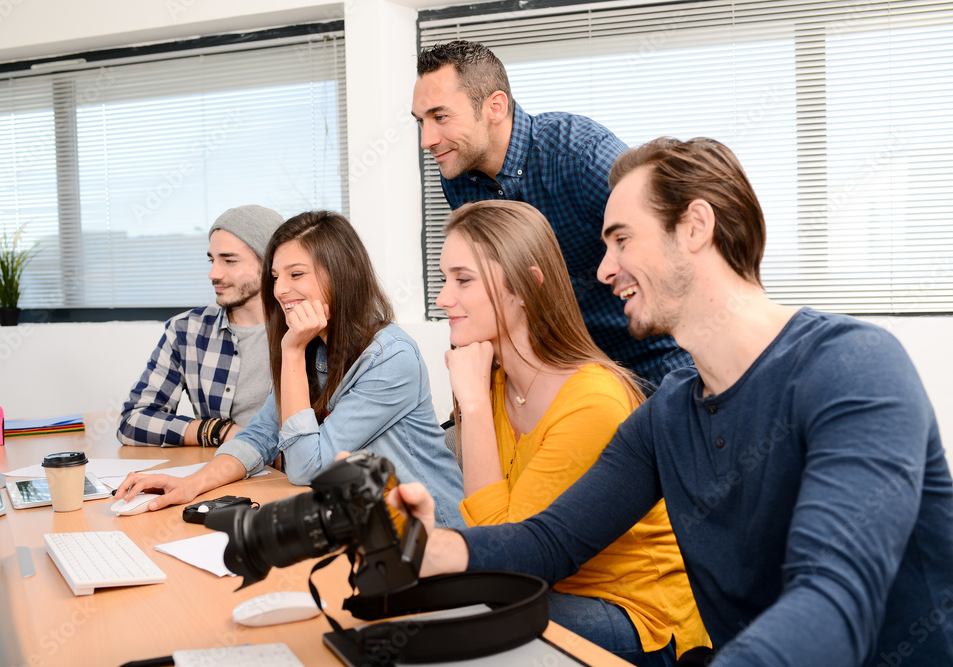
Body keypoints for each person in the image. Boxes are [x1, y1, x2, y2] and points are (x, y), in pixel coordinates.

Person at [396, 138, 953, 666]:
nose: (603, 270)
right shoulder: (667, 415)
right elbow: (547, 541)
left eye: (621, 240)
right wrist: (434, 549)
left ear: (694, 227)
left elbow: (834, 598)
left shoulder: (853, 368)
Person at [437, 199, 708, 666]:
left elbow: (508, 557)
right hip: (547, 588)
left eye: (463, 279)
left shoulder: (591, 400)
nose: (443, 298)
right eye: (445, 279)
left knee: (464, 622)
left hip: (638, 613)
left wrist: (476, 408)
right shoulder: (495, 381)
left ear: (527, 286)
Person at [116, 211, 466, 528]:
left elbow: (306, 467)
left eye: (296, 274)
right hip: (365, 524)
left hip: (430, 534)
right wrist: (191, 483)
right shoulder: (315, 345)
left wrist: (292, 350)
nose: (280, 290)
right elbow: (259, 435)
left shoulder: (389, 357)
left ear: (341, 274)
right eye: (274, 276)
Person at [413, 39, 691, 393]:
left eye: (440, 117)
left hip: (652, 357)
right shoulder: (458, 177)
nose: (427, 139)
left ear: (495, 107)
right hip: (565, 365)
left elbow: (671, 242)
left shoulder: (580, 154)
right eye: (421, 121)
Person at [117, 204, 283, 447]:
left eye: (229, 260)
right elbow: (132, 421)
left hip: (289, 478)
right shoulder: (186, 331)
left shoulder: (306, 328)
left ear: (270, 264)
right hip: (220, 473)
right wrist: (217, 431)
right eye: (212, 260)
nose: (213, 273)